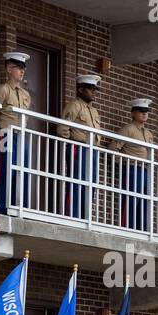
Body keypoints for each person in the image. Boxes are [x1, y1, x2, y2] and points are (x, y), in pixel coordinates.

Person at [59, 73, 106, 220]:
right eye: (90, 88)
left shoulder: (93, 111)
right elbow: (62, 128)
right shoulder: (74, 105)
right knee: (76, 182)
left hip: (91, 151)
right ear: (80, 90)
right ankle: (73, 215)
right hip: (78, 148)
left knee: (90, 184)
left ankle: (85, 217)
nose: (94, 92)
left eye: (95, 89)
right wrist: (70, 144)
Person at [0, 51, 32, 214]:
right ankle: (2, 207)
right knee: (5, 170)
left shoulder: (25, 95)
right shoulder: (3, 90)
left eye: (24, 68)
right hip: (5, 134)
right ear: (9, 69)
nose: (22, 71)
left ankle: (20, 207)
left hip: (20, 135)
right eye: (18, 67)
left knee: (21, 171)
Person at [117, 97, 158, 231]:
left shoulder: (148, 133)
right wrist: (123, 165)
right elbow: (114, 148)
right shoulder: (128, 129)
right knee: (131, 200)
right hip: (132, 168)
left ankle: (141, 229)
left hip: (145, 170)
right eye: (140, 111)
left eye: (146, 111)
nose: (144, 114)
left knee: (145, 201)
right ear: (133, 113)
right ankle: (127, 227)